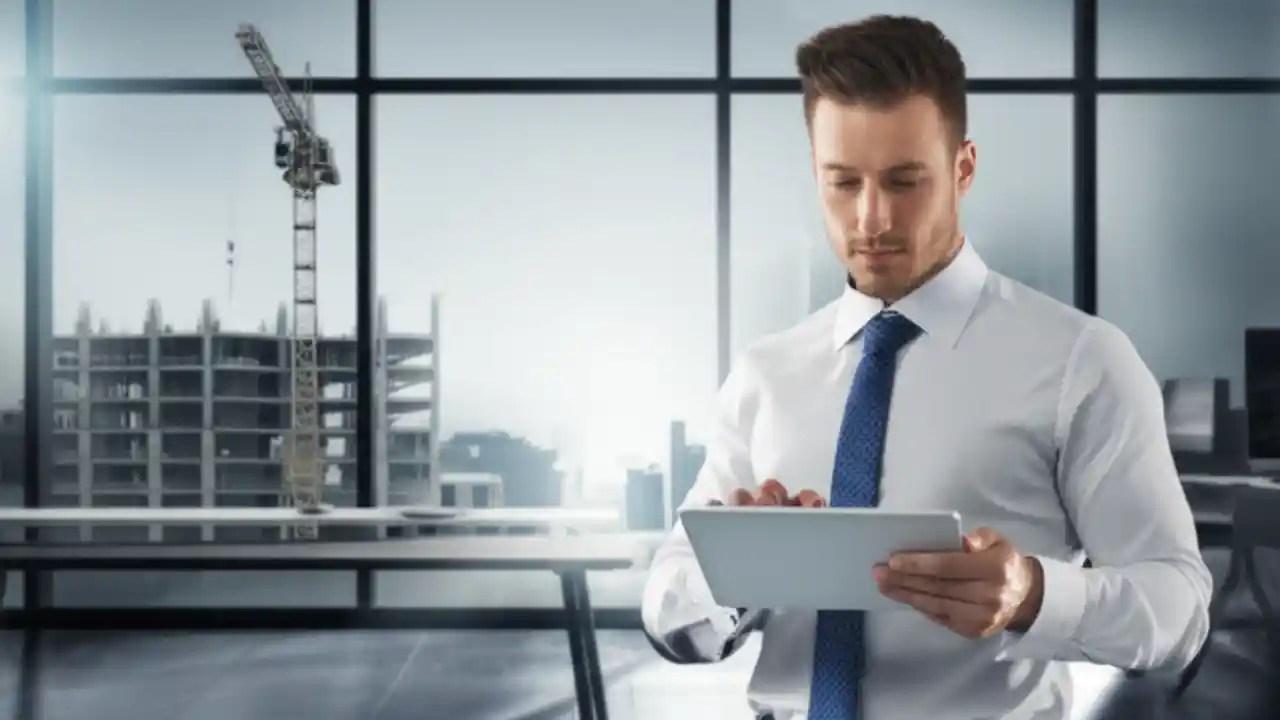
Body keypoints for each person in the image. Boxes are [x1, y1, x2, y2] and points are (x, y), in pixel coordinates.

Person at [641, 14, 1212, 720]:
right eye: (842, 182)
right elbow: (669, 609)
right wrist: (732, 579)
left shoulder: (1079, 361)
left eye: (905, 181)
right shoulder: (767, 374)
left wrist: (1034, 594)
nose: (872, 218)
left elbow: (1180, 610)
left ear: (963, 168)